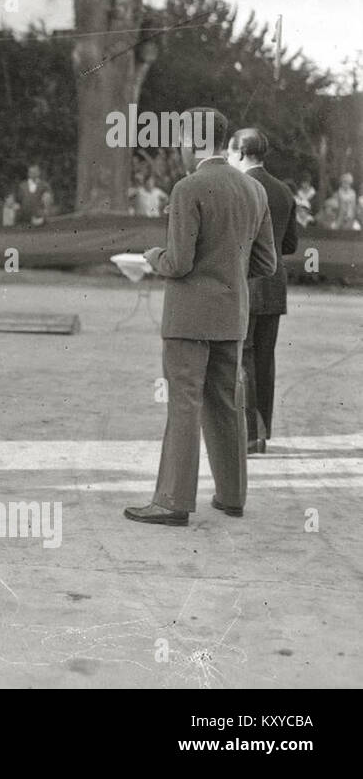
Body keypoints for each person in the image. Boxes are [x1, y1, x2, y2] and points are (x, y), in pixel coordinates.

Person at [126, 108, 277, 526]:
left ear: (192, 140)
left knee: (184, 405)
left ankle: (173, 501)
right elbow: (265, 263)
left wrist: (151, 256)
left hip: (188, 318)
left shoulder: (187, 187)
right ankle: (232, 496)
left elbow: (177, 262)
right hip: (232, 316)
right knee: (227, 405)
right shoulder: (254, 190)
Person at [228, 128, 298, 453]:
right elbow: (290, 245)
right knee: (265, 359)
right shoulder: (284, 190)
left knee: (244, 357)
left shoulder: (242, 187)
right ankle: (262, 432)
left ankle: (249, 434)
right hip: (275, 285)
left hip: (249, 282)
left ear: (240, 153)